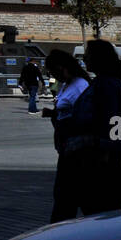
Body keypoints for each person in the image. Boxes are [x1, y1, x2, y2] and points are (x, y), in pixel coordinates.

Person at [43, 50, 98, 222]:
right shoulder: (67, 84)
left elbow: (85, 115)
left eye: (53, 72)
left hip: (77, 152)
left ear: (62, 68)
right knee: (66, 198)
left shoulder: (80, 84)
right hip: (67, 149)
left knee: (67, 199)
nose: (53, 76)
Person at [83, 39, 121, 213]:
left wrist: (109, 150)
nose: (84, 58)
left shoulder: (107, 84)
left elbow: (116, 119)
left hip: (104, 158)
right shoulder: (101, 82)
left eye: (87, 55)